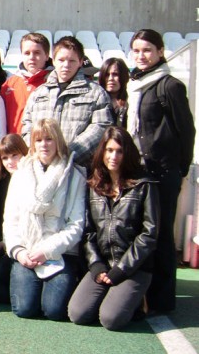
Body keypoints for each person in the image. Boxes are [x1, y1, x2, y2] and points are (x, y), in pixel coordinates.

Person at [127, 28, 195, 313]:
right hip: (140, 171)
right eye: (137, 50)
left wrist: (178, 169)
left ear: (160, 52)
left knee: (162, 236)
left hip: (162, 173)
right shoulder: (136, 85)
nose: (142, 56)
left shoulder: (169, 85)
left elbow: (186, 130)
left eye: (147, 50)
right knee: (142, 234)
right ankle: (143, 295)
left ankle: (163, 300)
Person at [68, 127, 159, 330]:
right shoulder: (94, 186)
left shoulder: (144, 185)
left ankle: (138, 300)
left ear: (127, 153)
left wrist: (122, 269)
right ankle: (114, 296)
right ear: (102, 152)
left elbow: (149, 235)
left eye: (119, 151)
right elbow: (89, 232)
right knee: (78, 314)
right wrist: (96, 265)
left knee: (111, 320)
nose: (113, 156)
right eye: (109, 150)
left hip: (134, 267)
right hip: (105, 265)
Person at [3, 118, 86, 321]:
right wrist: (19, 251)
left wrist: (47, 250)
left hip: (59, 253)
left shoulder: (75, 175)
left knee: (54, 311)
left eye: (49, 139)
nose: (44, 145)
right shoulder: (21, 174)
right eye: (38, 140)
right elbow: (10, 219)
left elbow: (75, 225)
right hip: (27, 251)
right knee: (25, 309)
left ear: (58, 141)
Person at [22, 36, 112, 166]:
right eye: (61, 60)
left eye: (72, 61)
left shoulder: (96, 93)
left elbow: (100, 128)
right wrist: (40, 154)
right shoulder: (38, 93)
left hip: (78, 168)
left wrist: (69, 154)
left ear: (80, 62)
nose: (66, 65)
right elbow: (27, 126)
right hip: (41, 167)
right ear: (53, 61)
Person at [0, 134, 29, 303]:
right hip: (6, 244)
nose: (10, 162)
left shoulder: (34, 179)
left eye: (15, 155)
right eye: (5, 158)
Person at [1, 32, 53, 134]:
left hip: (42, 145)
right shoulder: (10, 84)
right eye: (27, 53)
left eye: (37, 52)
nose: (32, 57)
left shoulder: (54, 82)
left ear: (47, 56)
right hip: (15, 146)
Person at [99, 57, 129, 127]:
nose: (110, 79)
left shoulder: (132, 101)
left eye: (115, 74)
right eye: (107, 75)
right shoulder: (95, 101)